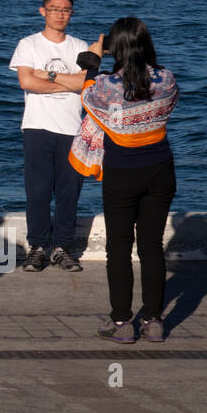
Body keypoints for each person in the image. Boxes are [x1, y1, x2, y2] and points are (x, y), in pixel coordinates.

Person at [68, 19, 179, 343]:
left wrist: (93, 59)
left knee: (119, 248)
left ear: (114, 47)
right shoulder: (167, 79)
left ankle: (121, 324)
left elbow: (86, 99)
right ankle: (154, 321)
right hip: (160, 169)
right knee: (152, 247)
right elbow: (169, 105)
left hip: (121, 173)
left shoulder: (105, 85)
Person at [10, 0, 87, 272]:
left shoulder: (80, 47)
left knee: (69, 193)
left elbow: (84, 84)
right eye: (54, 9)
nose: (59, 15)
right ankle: (38, 247)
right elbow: (27, 82)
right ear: (42, 11)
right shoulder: (28, 44)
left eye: (65, 10)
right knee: (38, 191)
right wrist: (67, 81)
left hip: (73, 129)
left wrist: (49, 75)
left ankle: (63, 248)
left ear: (71, 13)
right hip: (37, 127)